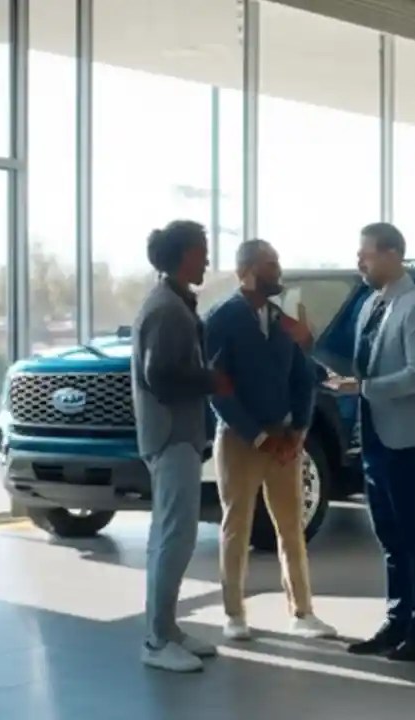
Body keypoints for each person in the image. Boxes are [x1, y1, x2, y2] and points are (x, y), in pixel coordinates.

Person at [204, 239, 337, 642]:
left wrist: (298, 429)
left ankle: (302, 612)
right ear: (247, 270)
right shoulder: (220, 320)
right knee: (236, 526)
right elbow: (219, 390)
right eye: (270, 263)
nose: (278, 270)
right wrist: (259, 437)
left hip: (286, 440)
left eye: (277, 262)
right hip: (241, 441)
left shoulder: (282, 321)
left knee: (291, 525)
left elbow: (302, 376)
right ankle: (234, 615)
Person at [132, 220, 233, 673]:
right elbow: (162, 376)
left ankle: (168, 629)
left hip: (177, 435)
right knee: (175, 536)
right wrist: (213, 379)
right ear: (185, 254)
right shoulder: (167, 311)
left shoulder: (174, 303)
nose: (208, 260)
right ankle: (156, 640)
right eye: (203, 250)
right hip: (171, 435)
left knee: (168, 534)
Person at [346, 222, 415, 663]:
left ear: (392, 254)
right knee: (389, 535)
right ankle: (397, 621)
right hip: (373, 436)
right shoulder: (371, 304)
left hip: (408, 441)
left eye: (365, 253)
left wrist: (361, 389)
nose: (359, 261)